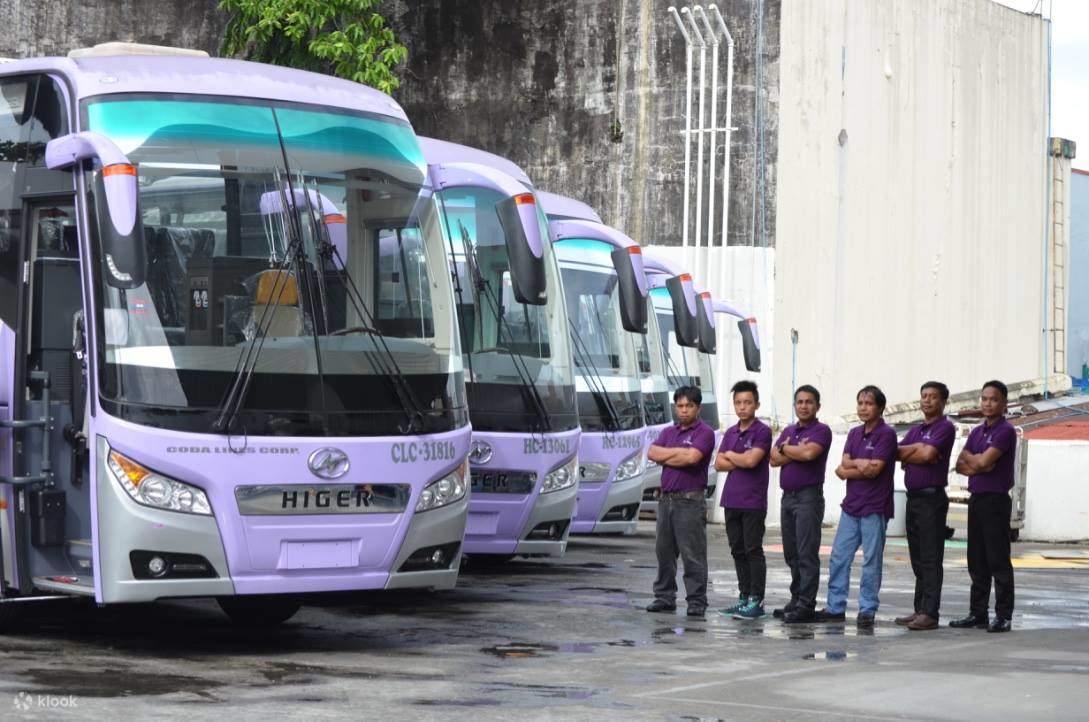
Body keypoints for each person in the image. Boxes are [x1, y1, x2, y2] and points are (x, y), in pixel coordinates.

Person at [816, 385, 898, 628]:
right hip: (851, 507)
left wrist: (857, 465)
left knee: (871, 560)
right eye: (860, 403)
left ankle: (867, 609)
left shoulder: (886, 434)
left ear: (880, 408)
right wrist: (862, 464)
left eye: (869, 403)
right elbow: (841, 469)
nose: (863, 408)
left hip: (875, 507)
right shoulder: (853, 433)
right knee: (839, 558)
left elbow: (876, 470)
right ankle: (835, 607)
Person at [950, 380, 1017, 633]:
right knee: (976, 559)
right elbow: (962, 464)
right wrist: (978, 463)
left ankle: (1003, 615)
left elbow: (982, 463)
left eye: (994, 399)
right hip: (976, 498)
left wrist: (978, 462)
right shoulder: (977, 432)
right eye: (985, 398)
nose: (988, 403)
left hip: (996, 500)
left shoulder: (1005, 431)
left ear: (1004, 403)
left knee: (997, 559)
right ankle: (978, 613)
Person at [646, 386, 717, 618]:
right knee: (664, 552)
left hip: (690, 500)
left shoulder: (704, 433)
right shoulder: (668, 431)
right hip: (666, 501)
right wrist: (679, 454)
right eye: (680, 406)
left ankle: (697, 601)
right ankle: (664, 597)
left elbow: (692, 458)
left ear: (698, 408)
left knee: (692, 554)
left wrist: (669, 455)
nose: (684, 410)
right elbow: (652, 453)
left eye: (689, 406)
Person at [770, 385, 833, 624]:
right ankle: (796, 599)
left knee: (806, 553)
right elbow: (773, 459)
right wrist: (795, 450)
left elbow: (809, 455)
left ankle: (806, 605)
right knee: (792, 553)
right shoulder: (788, 430)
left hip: (808, 498)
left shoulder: (822, 431)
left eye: (809, 402)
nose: (804, 406)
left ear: (817, 406)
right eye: (799, 402)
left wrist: (786, 448)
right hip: (788, 498)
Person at [895, 381, 956, 631]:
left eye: (933, 397)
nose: (927, 400)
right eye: (924, 396)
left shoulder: (945, 427)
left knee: (931, 557)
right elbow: (897, 453)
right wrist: (916, 450)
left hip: (932, 499)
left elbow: (928, 455)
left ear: (943, 402)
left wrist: (917, 453)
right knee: (917, 557)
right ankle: (919, 608)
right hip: (914, 498)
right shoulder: (916, 430)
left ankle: (930, 612)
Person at [715, 380, 773, 619]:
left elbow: (752, 461)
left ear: (756, 404)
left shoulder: (762, 431)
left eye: (747, 402)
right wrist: (737, 456)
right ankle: (743, 597)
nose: (743, 407)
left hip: (752, 501)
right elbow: (719, 464)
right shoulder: (730, 432)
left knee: (753, 550)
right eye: (738, 402)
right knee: (737, 550)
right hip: (732, 500)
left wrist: (731, 454)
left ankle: (756, 601)